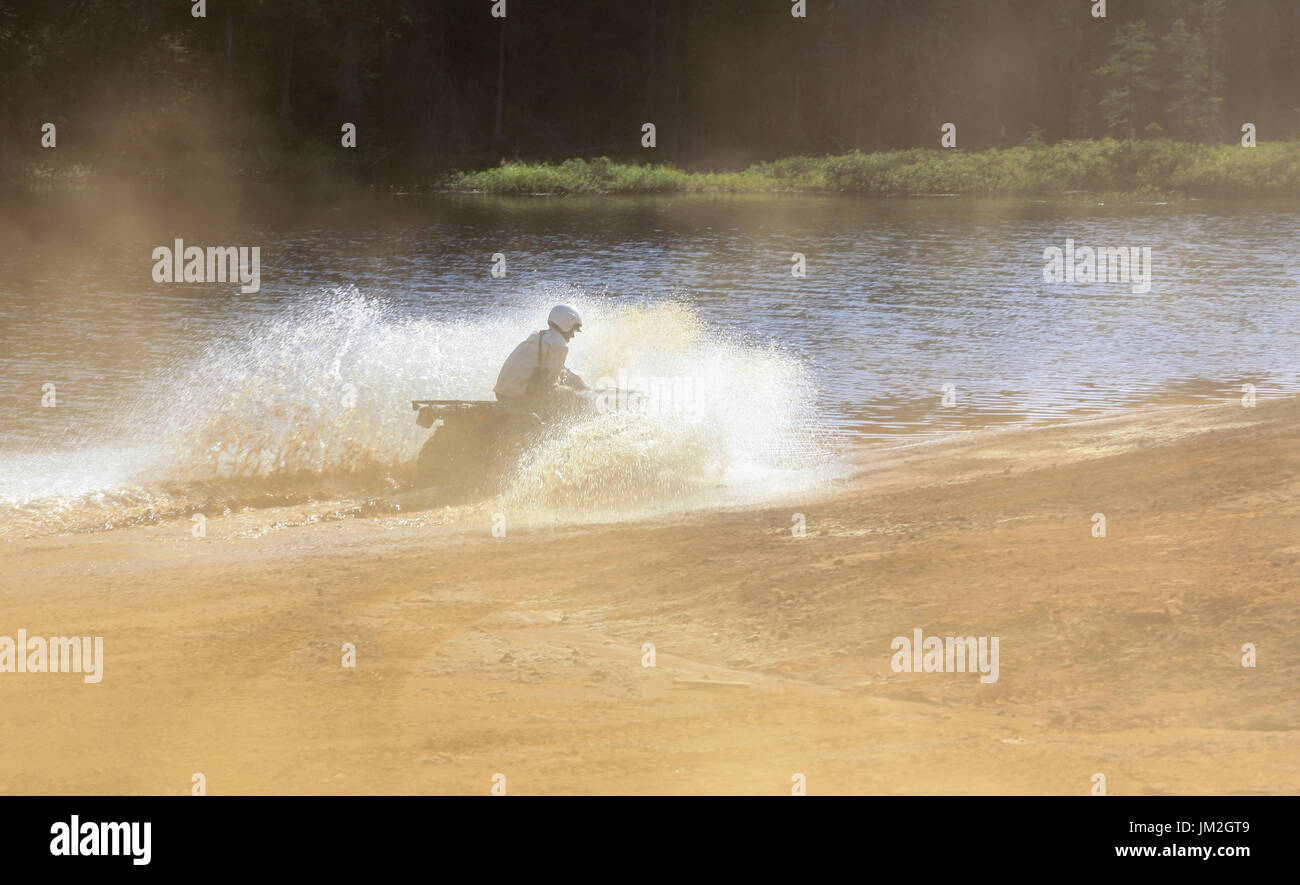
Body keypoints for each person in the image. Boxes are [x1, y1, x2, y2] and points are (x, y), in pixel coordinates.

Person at [493, 305, 589, 419]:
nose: (573, 335)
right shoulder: (561, 345)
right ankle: (557, 429)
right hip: (519, 396)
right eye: (574, 330)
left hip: (501, 393)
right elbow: (550, 383)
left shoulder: (538, 335)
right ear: (567, 324)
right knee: (568, 394)